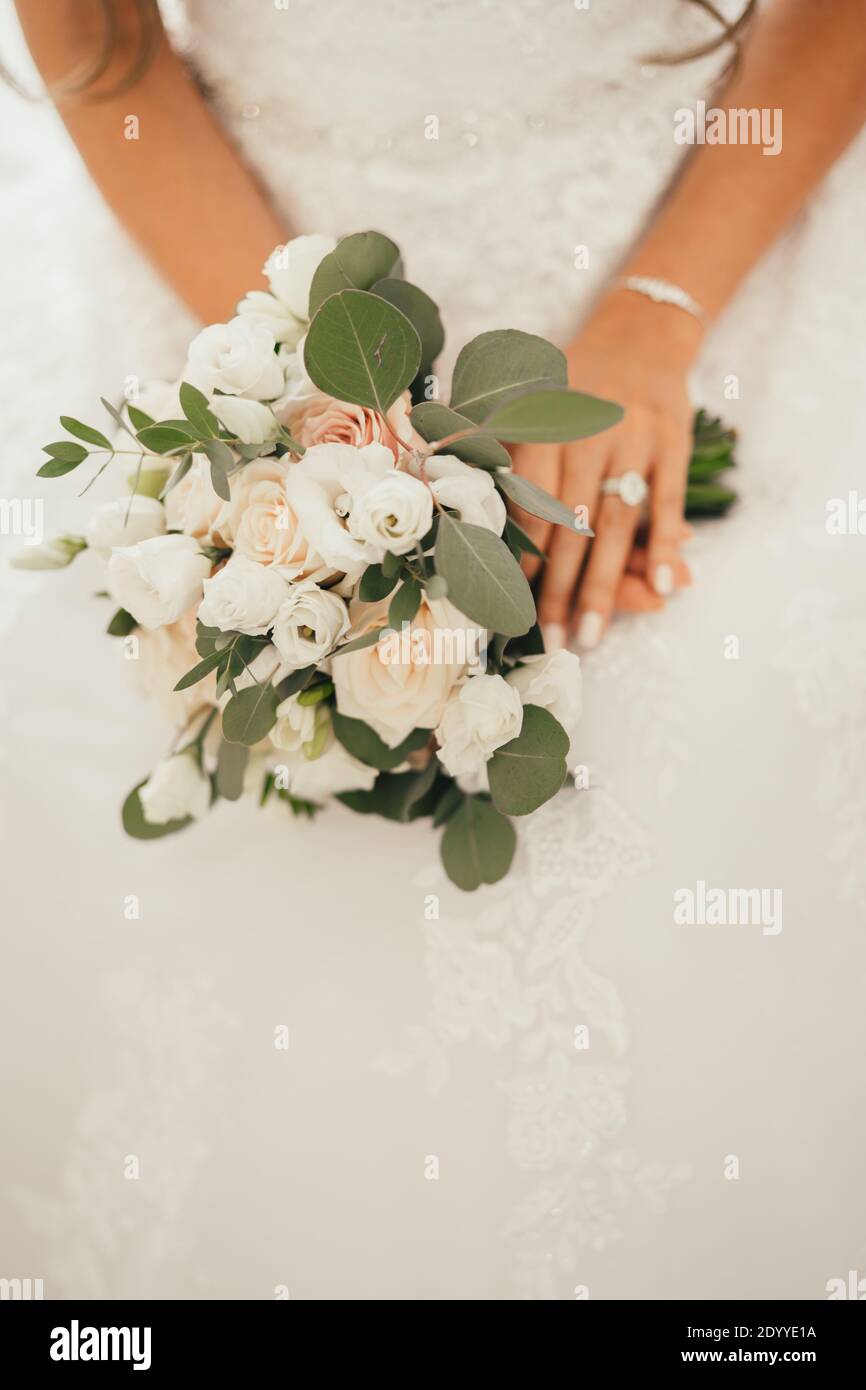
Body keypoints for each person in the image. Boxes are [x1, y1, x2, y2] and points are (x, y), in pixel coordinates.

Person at [2, 0, 865, 1299]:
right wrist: (308, 408)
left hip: (703, 230)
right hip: (222, 243)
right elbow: (91, 31)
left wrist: (660, 310)